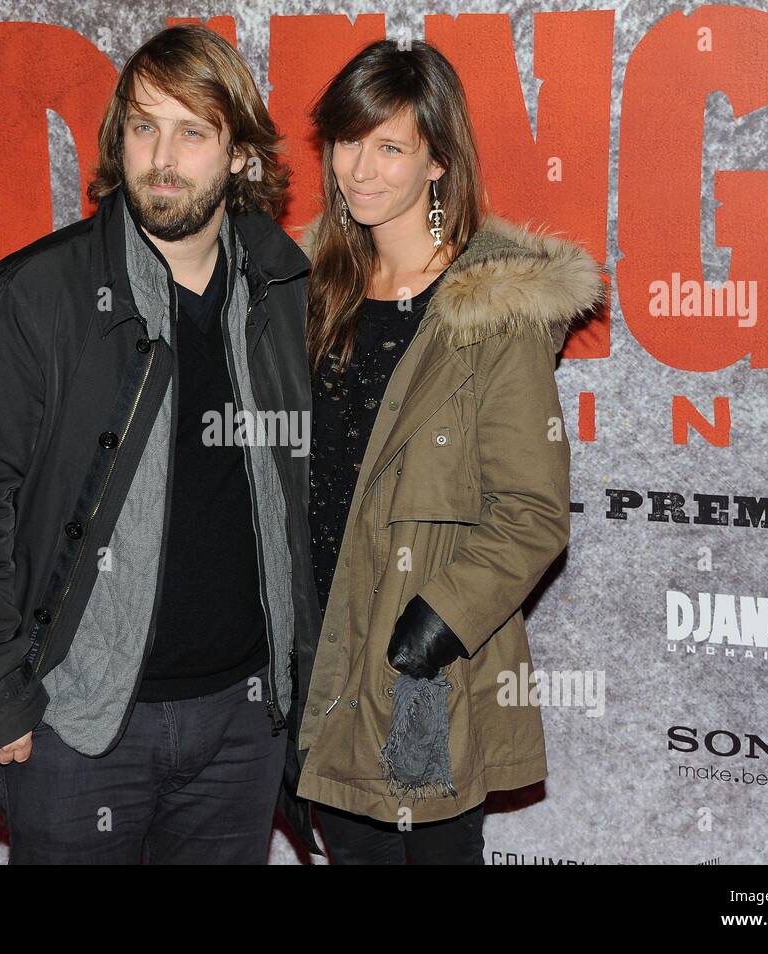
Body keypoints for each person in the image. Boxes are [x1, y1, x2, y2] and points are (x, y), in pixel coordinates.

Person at [0, 25, 324, 863]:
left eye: (192, 131)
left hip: (244, 724)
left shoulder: (283, 292)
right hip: (77, 725)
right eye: (142, 126)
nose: (161, 157)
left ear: (241, 156)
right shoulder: (35, 297)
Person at [288, 39, 607, 864]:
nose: (360, 170)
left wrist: (435, 624)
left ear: (438, 161)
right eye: (348, 142)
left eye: (390, 147)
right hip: (318, 653)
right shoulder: (306, 291)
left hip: (424, 671)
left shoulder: (490, 308)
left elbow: (534, 512)